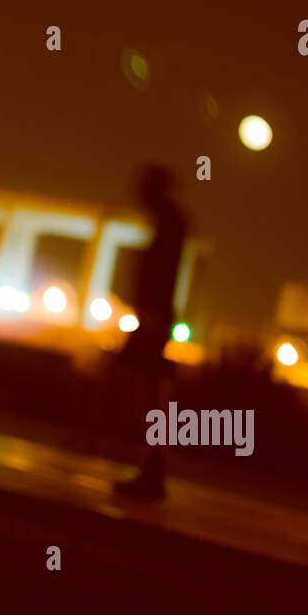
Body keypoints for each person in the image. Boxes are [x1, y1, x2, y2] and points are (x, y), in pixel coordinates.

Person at [113, 164, 186, 501]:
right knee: (149, 397)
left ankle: (152, 473)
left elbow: (160, 277)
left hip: (154, 322)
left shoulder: (171, 226)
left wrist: (152, 317)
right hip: (154, 319)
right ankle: (151, 471)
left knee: (150, 397)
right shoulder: (170, 225)